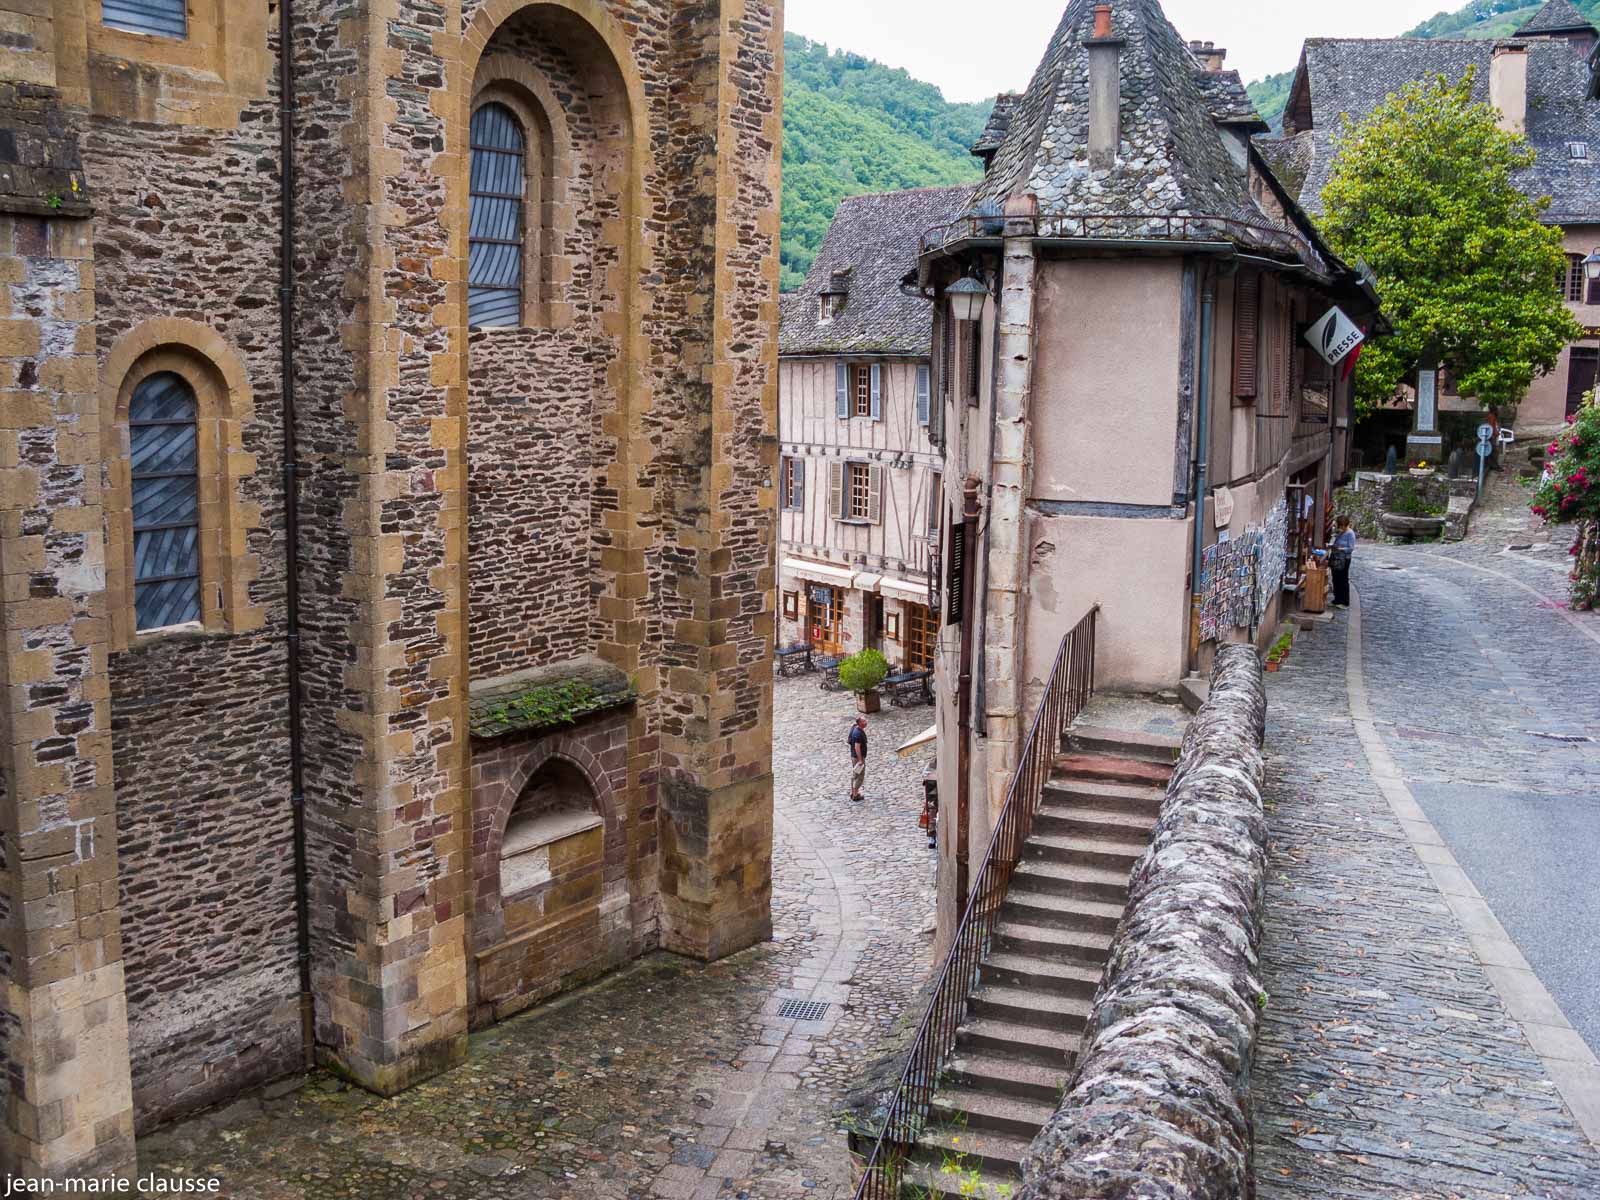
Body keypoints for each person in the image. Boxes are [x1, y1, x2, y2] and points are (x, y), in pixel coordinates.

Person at [1330, 515, 1356, 609]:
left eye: (1343, 526)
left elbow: (1350, 548)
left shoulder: (1350, 534)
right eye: (1340, 526)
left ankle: (1344, 601)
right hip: (1337, 557)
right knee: (1335, 578)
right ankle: (1337, 599)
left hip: (1344, 559)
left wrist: (1341, 548)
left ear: (1346, 525)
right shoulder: (1341, 533)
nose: (1341, 528)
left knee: (1343, 579)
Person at [847, 716, 868, 802]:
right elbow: (857, 747)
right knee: (860, 776)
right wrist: (860, 760)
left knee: (855, 774)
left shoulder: (854, 728)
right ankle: (855, 794)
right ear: (860, 723)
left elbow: (849, 741)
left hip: (854, 756)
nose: (866, 722)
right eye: (864, 721)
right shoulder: (858, 734)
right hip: (857, 757)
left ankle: (853, 792)